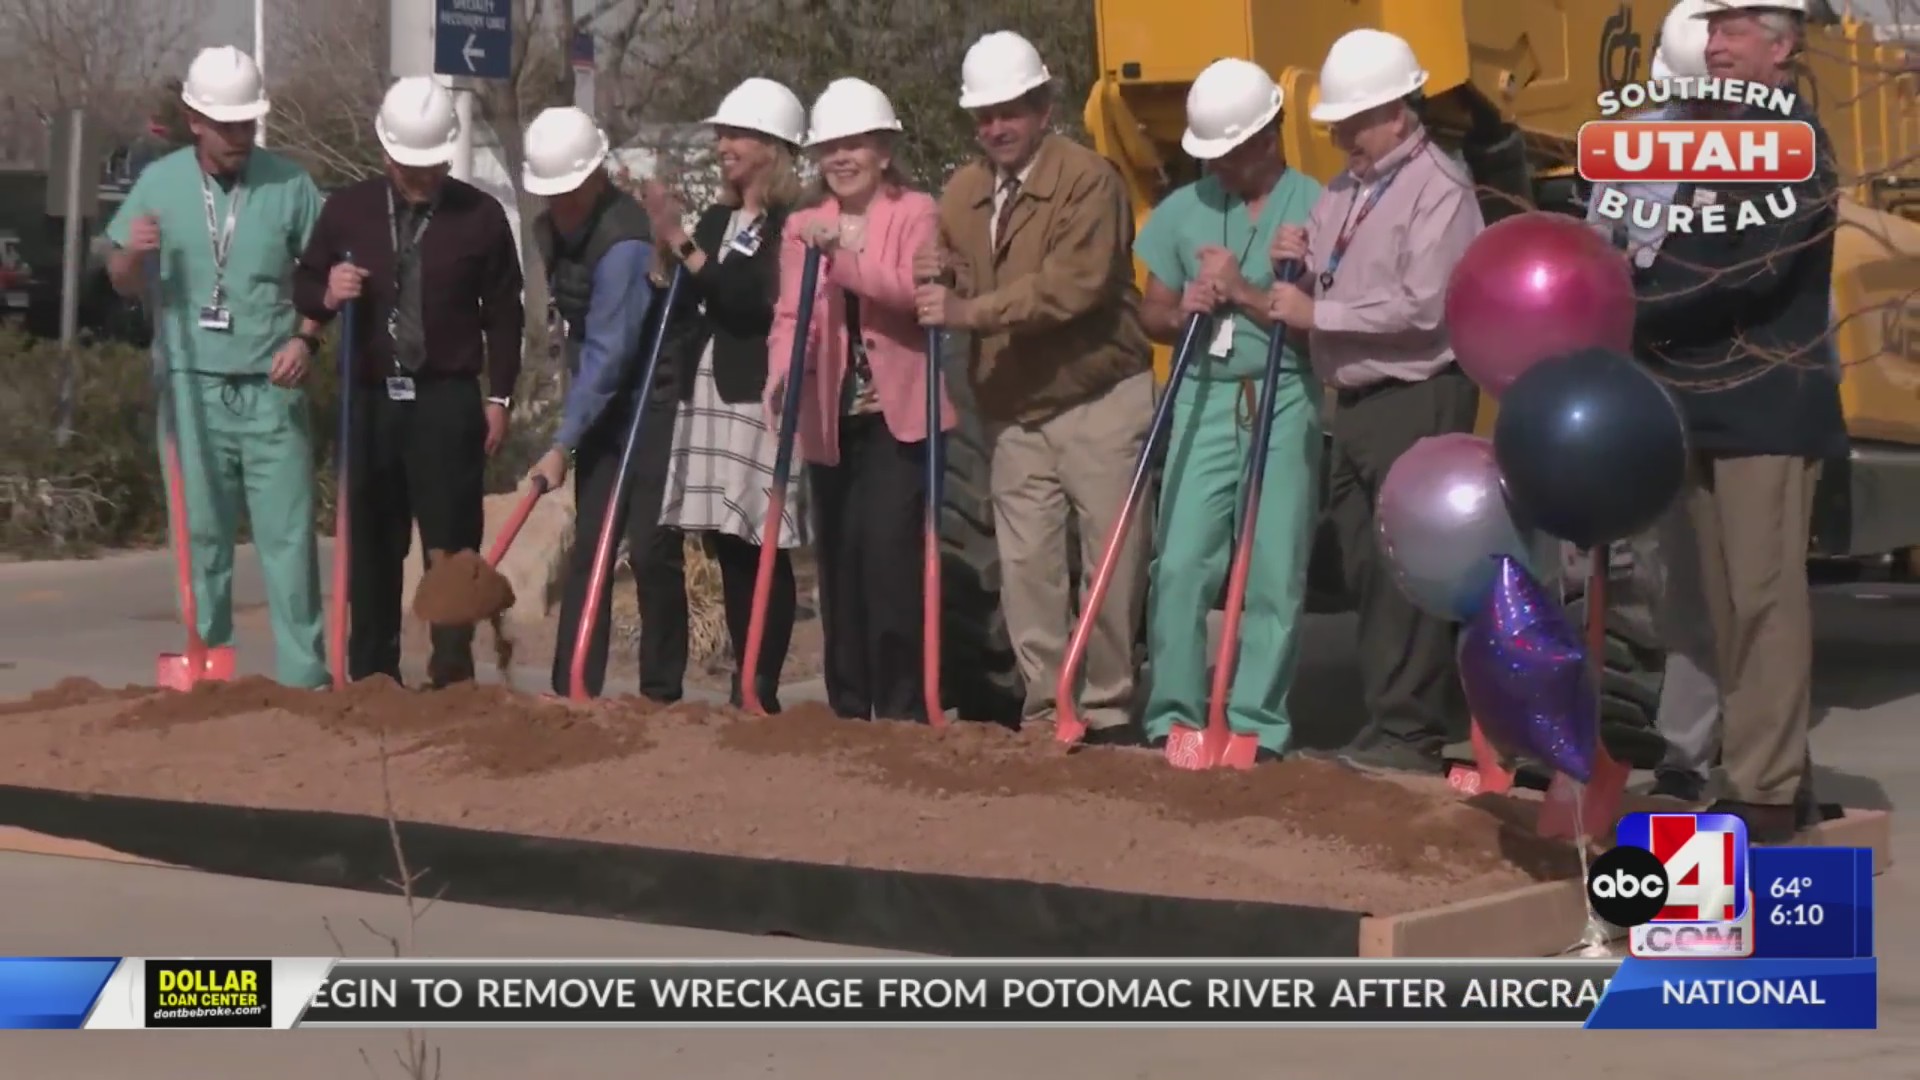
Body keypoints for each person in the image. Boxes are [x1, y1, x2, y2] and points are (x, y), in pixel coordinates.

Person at [1632, 0, 1840, 841]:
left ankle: (1766, 791)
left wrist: (1638, 308)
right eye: (1710, 29)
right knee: (1710, 607)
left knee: (1763, 602)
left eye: (1732, 27)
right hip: (1693, 400)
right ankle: (1749, 769)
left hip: (1765, 407)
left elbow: (1750, 269)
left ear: (1781, 45)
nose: (1713, 43)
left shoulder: (1797, 143)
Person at [914, 31, 1155, 743]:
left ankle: (1107, 711)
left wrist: (968, 310)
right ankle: (1050, 710)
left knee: (1111, 569)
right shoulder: (963, 191)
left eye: (1010, 111)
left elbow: (1070, 289)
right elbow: (968, 269)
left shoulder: (1089, 180)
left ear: (1044, 107)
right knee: (1026, 575)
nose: (996, 127)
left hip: (1100, 401)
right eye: (984, 115)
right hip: (1015, 410)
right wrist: (947, 273)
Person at [1266, 29, 1485, 775]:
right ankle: (1390, 718)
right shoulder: (1346, 188)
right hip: (1357, 400)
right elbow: (1330, 273)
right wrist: (1298, 263)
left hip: (1416, 393)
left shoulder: (1441, 190)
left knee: (1409, 568)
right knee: (1365, 563)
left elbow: (1425, 307)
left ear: (1396, 112)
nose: (1338, 134)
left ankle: (1412, 730)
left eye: (1352, 121)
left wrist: (1314, 315)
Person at [104, 45, 330, 689]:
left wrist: (308, 338)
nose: (238, 137)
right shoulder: (159, 183)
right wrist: (130, 258)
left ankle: (305, 680)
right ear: (194, 120)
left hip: (271, 386)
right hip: (189, 387)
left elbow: (326, 278)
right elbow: (120, 277)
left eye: (247, 124)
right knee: (200, 542)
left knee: (288, 544)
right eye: (226, 125)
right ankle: (208, 671)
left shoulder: (290, 184)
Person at [292, 76, 524, 688]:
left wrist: (499, 394)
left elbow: (505, 313)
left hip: (446, 398)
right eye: (408, 166)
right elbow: (304, 282)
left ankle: (451, 668)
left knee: (450, 541)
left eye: (432, 166)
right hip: (370, 398)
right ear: (385, 153)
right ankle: (373, 673)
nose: (420, 178)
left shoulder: (481, 216)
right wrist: (327, 293)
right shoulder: (347, 210)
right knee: (372, 541)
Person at [1131, 59, 1323, 762]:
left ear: (1269, 135)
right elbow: (1150, 311)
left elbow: (1327, 325)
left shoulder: (1317, 206)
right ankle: (1173, 713)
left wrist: (1245, 292)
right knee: (1180, 561)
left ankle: (1256, 722)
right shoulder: (1183, 211)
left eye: (1235, 151)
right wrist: (1180, 309)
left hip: (1283, 394)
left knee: (1274, 566)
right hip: (1203, 394)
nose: (1224, 166)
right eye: (1213, 154)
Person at [768, 77, 955, 723]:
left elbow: (910, 293)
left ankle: (902, 708)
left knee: (889, 561)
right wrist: (780, 372)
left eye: (855, 145)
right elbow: (794, 314)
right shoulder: (800, 225)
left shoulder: (915, 213)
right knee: (839, 566)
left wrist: (844, 258)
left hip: (897, 415)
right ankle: (848, 708)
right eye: (830, 148)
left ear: (883, 150)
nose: (841, 159)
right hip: (830, 419)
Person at [641, 77, 809, 713]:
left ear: (771, 146)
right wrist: (669, 259)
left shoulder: (789, 224)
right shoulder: (718, 218)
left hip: (755, 393)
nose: (722, 145)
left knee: (759, 535)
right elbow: (692, 297)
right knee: (724, 538)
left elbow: (749, 301)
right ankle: (745, 678)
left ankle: (761, 684)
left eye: (736, 135)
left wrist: (682, 244)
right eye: (721, 135)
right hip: (706, 388)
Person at [1588, 0, 1721, 803]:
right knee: (1671, 576)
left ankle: (1747, 748)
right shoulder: (1635, 149)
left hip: (1736, 383)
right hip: (1655, 381)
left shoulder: (1767, 154)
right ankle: (1686, 748)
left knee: (1739, 580)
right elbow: (1599, 246)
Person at [519, 106, 664, 700]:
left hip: (652, 397)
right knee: (591, 545)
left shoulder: (624, 243)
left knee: (654, 550)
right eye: (550, 194)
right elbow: (577, 340)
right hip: (602, 395)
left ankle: (662, 690)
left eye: (569, 193)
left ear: (595, 177)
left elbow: (610, 352)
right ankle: (573, 685)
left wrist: (562, 444)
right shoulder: (552, 229)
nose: (560, 205)